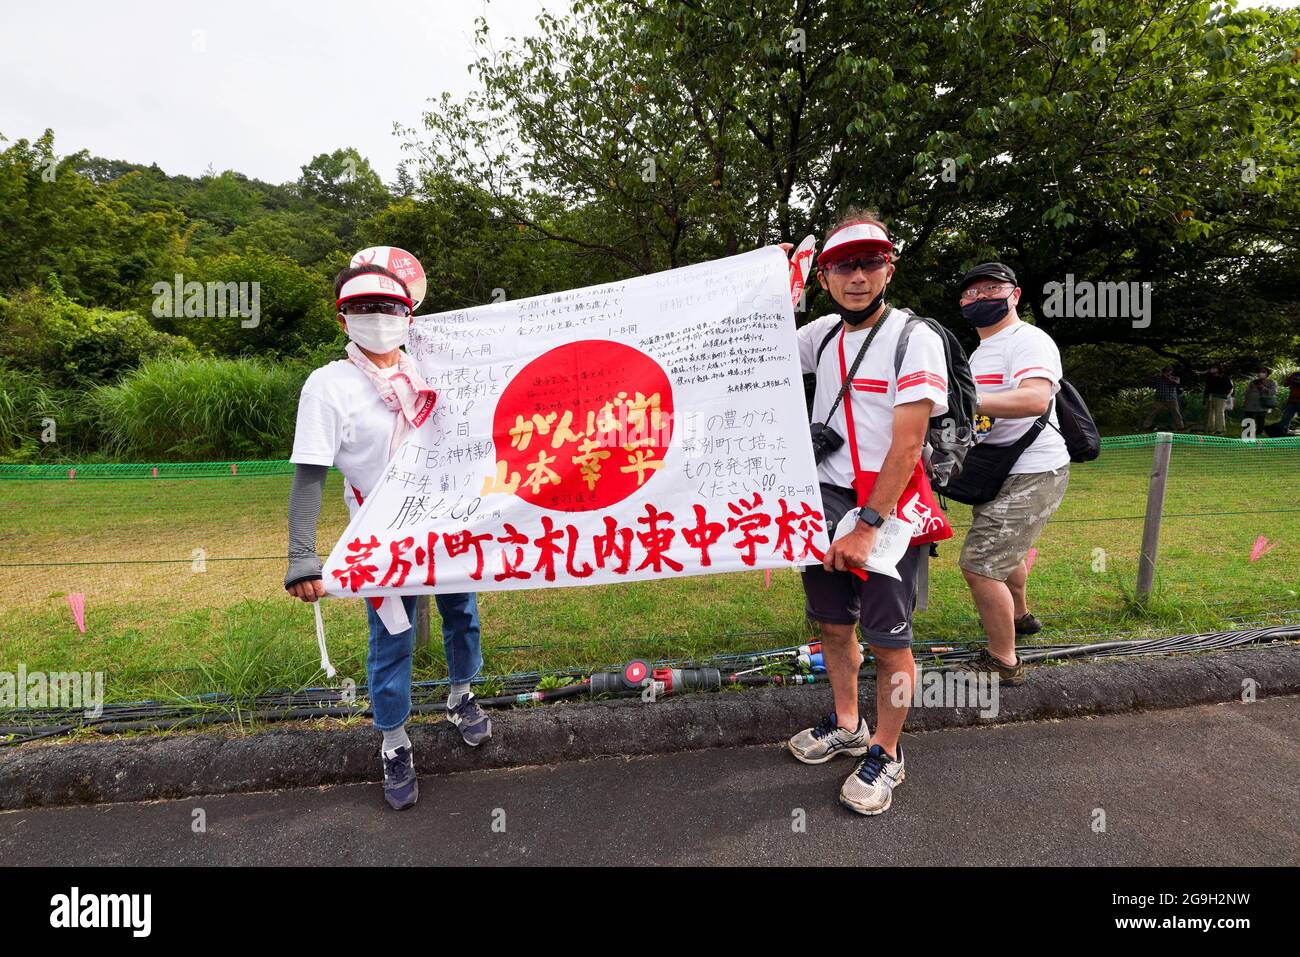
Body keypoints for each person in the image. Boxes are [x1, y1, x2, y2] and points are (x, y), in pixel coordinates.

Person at [283, 262, 490, 811]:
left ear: (408, 314)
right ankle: (394, 742)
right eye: (364, 308)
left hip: (445, 522)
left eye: (390, 307)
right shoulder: (329, 384)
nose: (378, 319)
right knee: (391, 635)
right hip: (379, 532)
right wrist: (302, 555)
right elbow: (310, 472)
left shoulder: (431, 368)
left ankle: (461, 696)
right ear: (343, 317)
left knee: (461, 613)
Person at [783, 210, 953, 816]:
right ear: (825, 276)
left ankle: (888, 749)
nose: (857, 275)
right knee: (832, 626)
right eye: (842, 265)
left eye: (870, 261)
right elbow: (750, 347)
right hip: (822, 499)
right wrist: (773, 286)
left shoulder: (916, 338)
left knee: (889, 640)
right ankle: (849, 724)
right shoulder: (821, 335)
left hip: (891, 507)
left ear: (889, 266)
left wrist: (866, 525)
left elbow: (908, 445)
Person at [953, 263, 1071, 686]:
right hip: (1000, 467)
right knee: (1008, 550)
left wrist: (966, 402)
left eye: (991, 289)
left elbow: (1035, 399)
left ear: (1014, 295)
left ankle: (1003, 660)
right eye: (971, 294)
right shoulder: (981, 350)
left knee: (981, 564)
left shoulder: (1028, 340)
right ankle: (1020, 616)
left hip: (1034, 469)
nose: (980, 298)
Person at [1141, 366, 1184, 431]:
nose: (1168, 373)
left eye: (1169, 372)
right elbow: (1148, 381)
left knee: (1176, 413)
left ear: (1171, 372)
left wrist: (1169, 378)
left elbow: (1176, 383)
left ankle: (1180, 427)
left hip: (1171, 399)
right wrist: (1153, 375)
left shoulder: (1175, 378)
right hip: (1159, 400)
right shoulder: (1158, 378)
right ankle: (1146, 426)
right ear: (1164, 372)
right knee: (1152, 412)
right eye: (1166, 372)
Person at [1243, 367, 1278, 432]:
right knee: (1247, 420)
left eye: (1263, 372)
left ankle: (1259, 436)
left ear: (1267, 374)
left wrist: (1263, 388)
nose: (1261, 373)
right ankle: (1247, 436)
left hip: (1262, 405)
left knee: (1260, 421)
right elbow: (1247, 392)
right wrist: (1245, 401)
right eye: (1260, 372)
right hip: (1250, 405)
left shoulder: (1271, 382)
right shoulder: (1253, 382)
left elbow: (1273, 392)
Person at [1202, 364, 1233, 436]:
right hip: (1209, 397)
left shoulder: (1225, 377)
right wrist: (1204, 398)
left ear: (1219, 369)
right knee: (1210, 413)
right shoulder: (1209, 377)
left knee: (1219, 413)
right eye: (1211, 368)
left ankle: (1219, 430)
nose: (1212, 369)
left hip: (1220, 397)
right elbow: (1206, 389)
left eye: (1214, 368)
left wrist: (1225, 395)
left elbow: (1230, 388)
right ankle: (1210, 429)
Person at [1280, 366, 1300, 434]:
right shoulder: (1295, 374)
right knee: (1286, 418)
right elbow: (1285, 384)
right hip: (1291, 401)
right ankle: (1283, 433)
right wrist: (1292, 380)